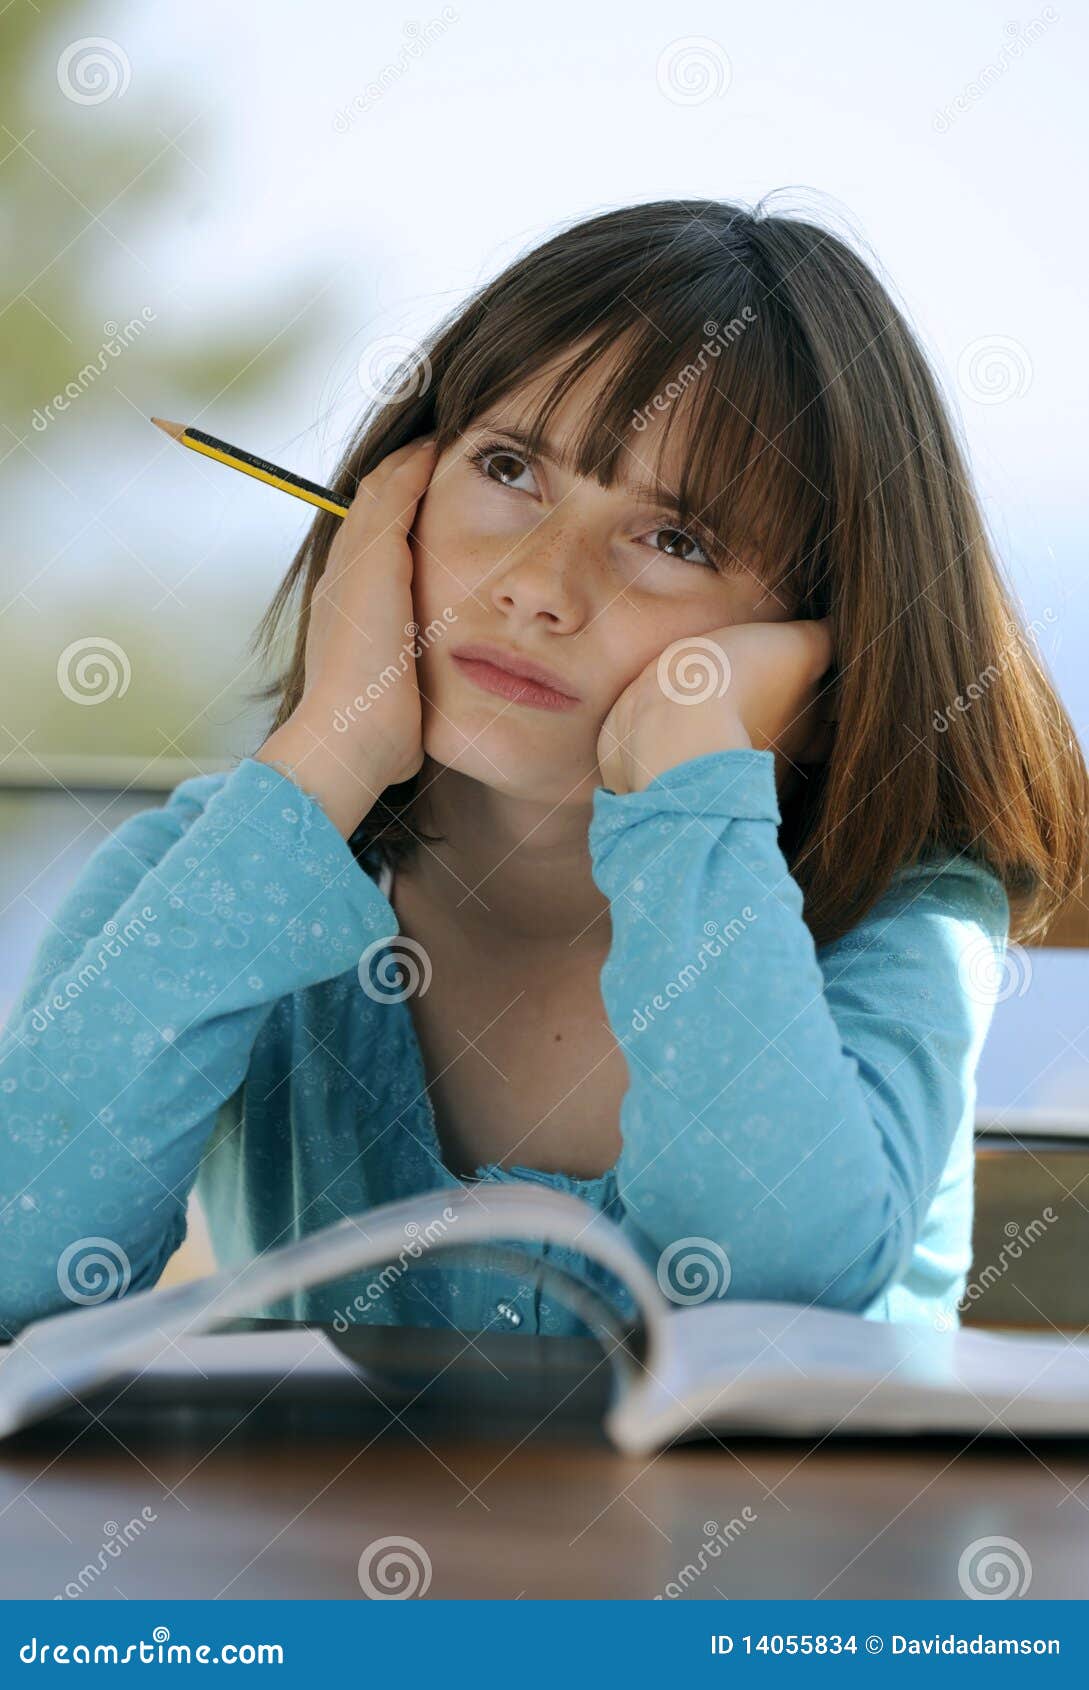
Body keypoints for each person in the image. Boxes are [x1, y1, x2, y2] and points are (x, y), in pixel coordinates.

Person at [3, 198, 1085, 1340]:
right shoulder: (219, 874)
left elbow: (783, 1285)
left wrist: (685, 787)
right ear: (393, 497)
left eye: (675, 540)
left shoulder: (893, 921)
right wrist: (331, 744)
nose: (539, 584)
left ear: (815, 655)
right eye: (511, 468)